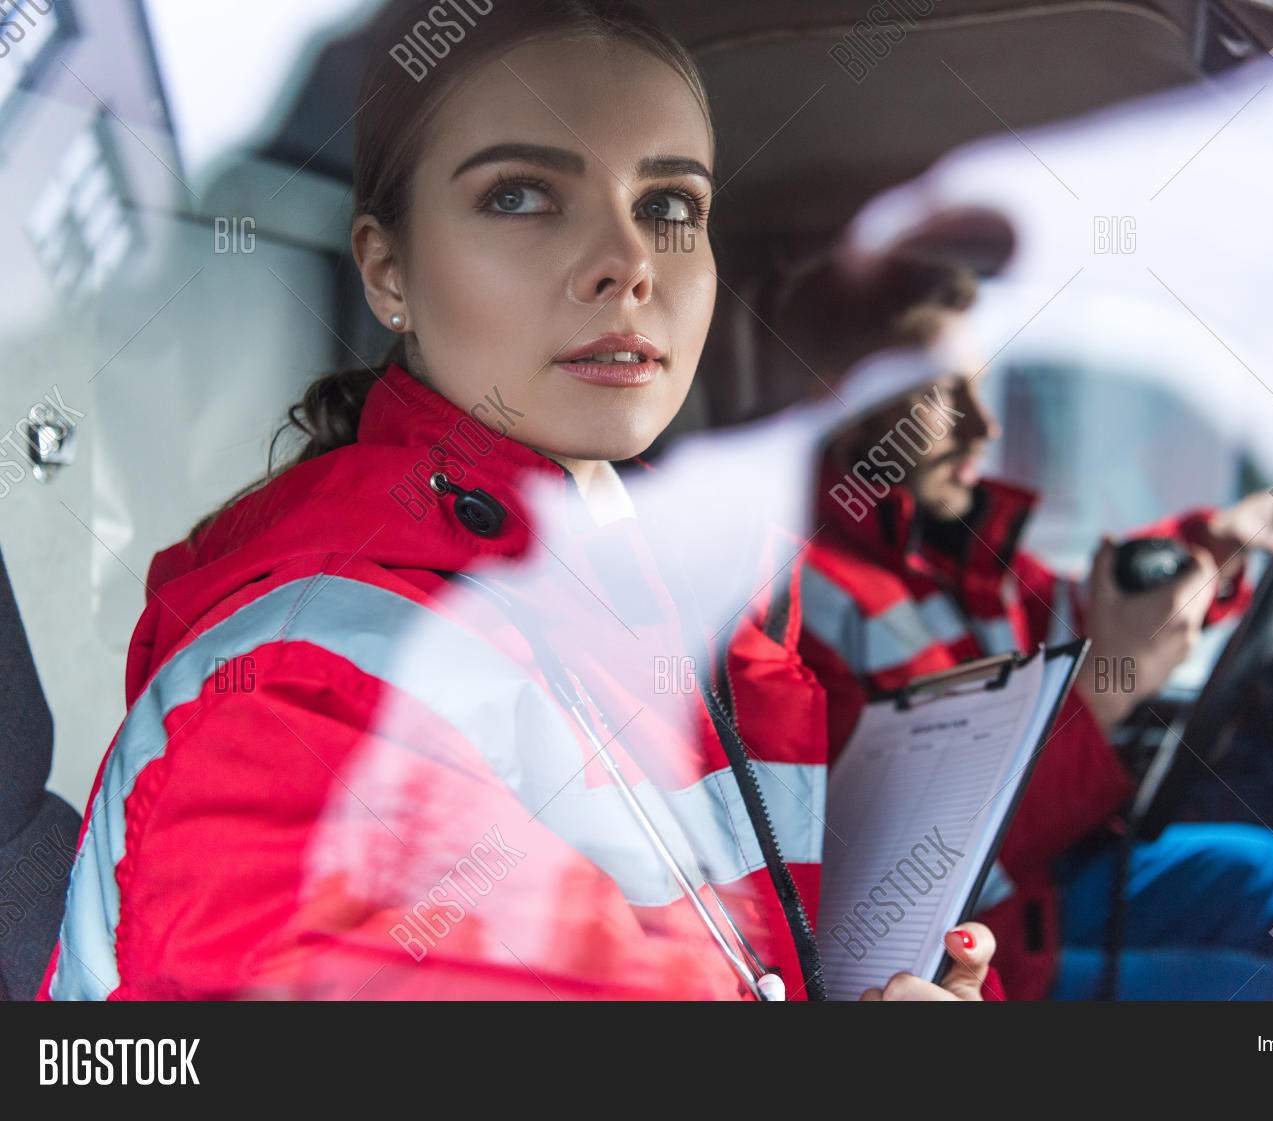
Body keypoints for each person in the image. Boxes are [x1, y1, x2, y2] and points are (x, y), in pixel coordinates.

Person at [38, 0, 993, 1002]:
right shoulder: (301, 685)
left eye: (671, 206)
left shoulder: (694, 602)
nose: (628, 264)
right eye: (524, 196)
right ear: (386, 268)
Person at [771, 251, 1273, 999]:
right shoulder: (800, 600)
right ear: (835, 400)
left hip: (1034, 896)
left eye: (980, 387)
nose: (985, 426)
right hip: (965, 961)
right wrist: (1102, 693)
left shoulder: (950, 547)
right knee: (1272, 998)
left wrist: (1214, 543)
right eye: (942, 396)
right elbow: (901, 882)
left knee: (1270, 871)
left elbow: (1091, 608)